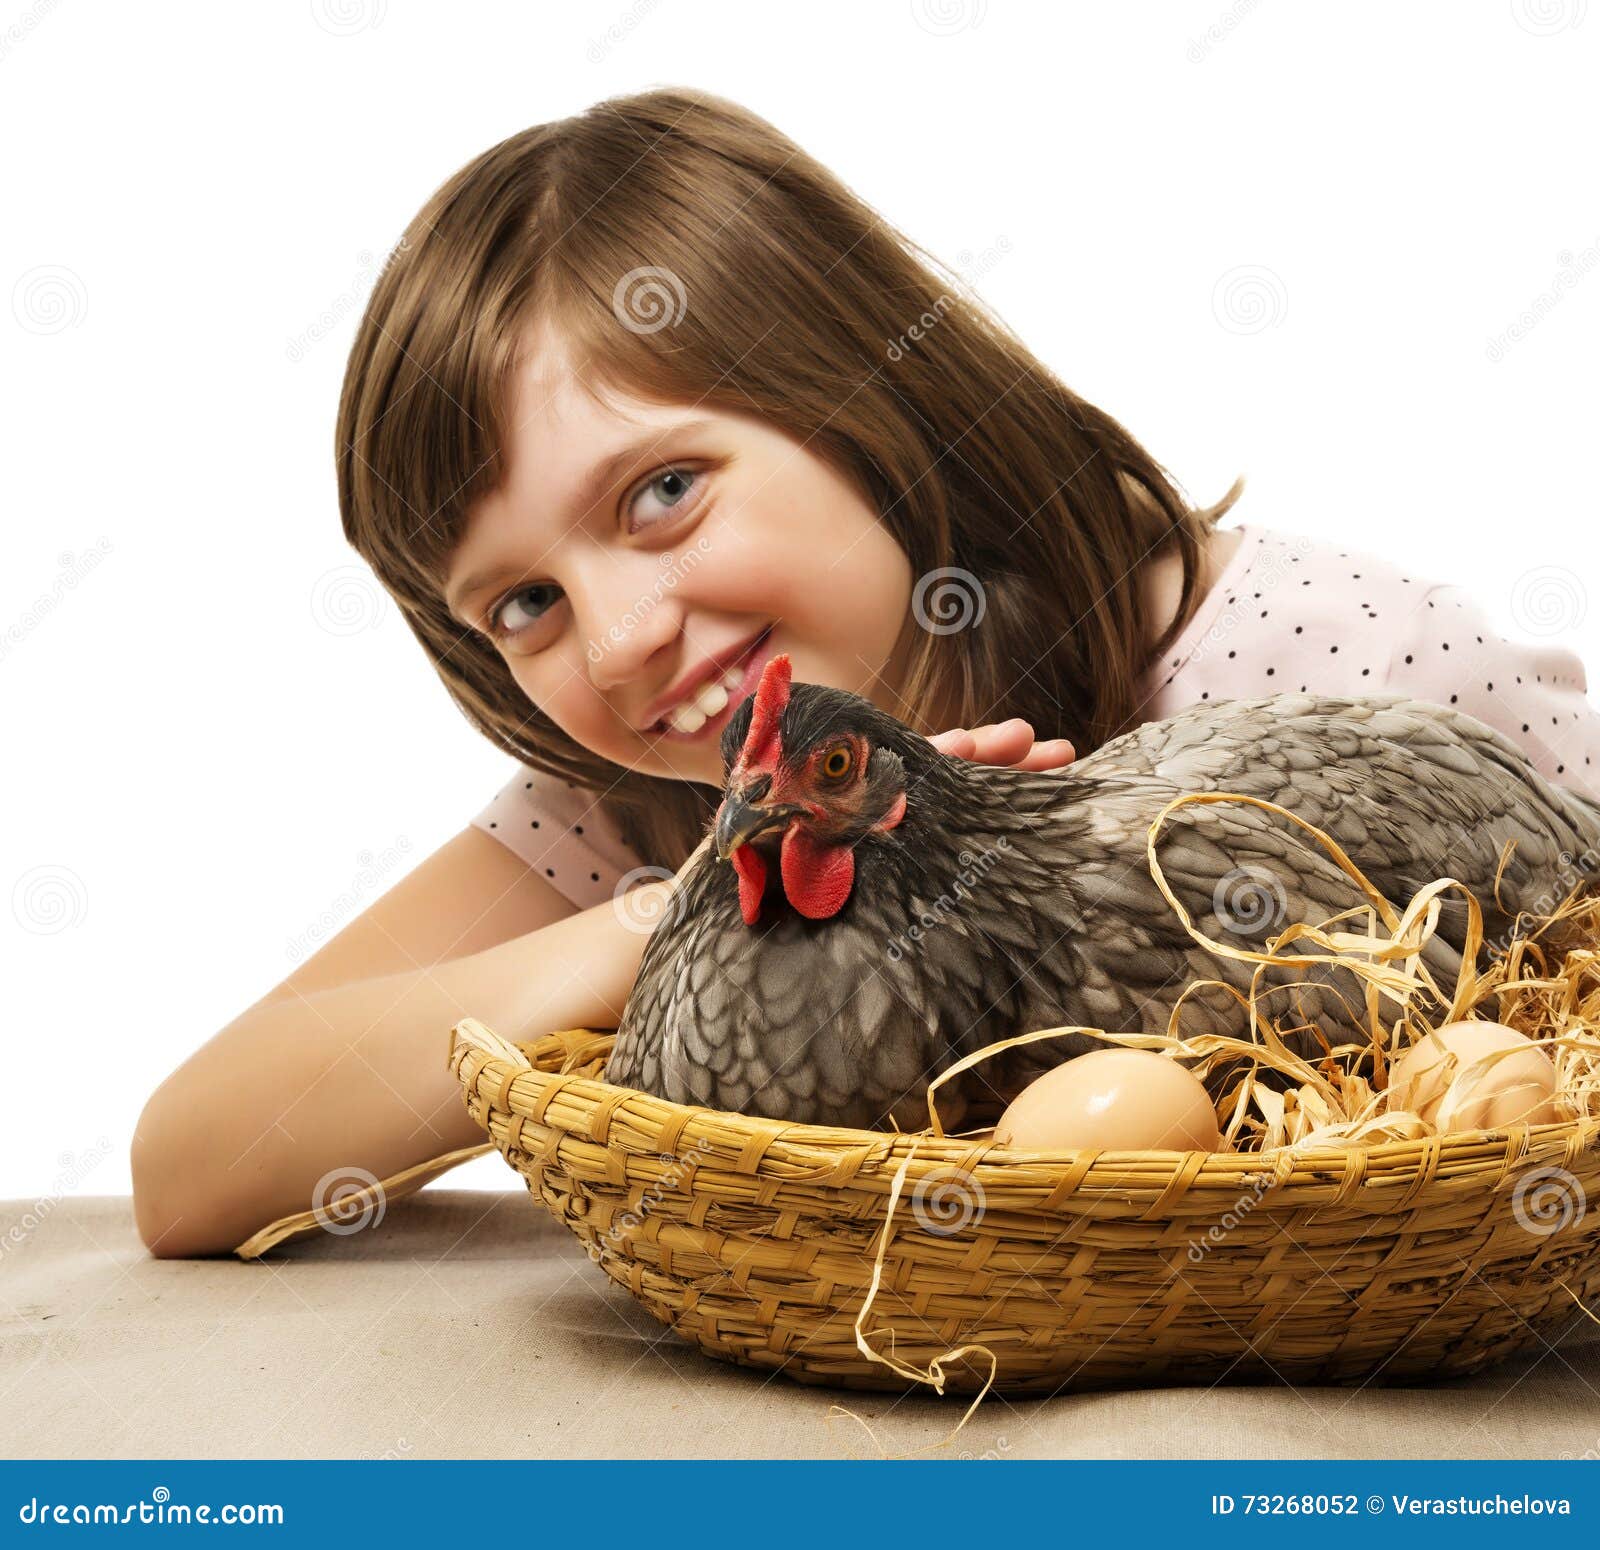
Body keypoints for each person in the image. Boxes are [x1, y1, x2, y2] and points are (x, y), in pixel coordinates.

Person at [131, 87, 1600, 1257]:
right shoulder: (649, 804)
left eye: (661, 493)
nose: (622, 633)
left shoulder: (1318, 654)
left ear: (864, 397)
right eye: (522, 599)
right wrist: (647, 924)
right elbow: (188, 1160)